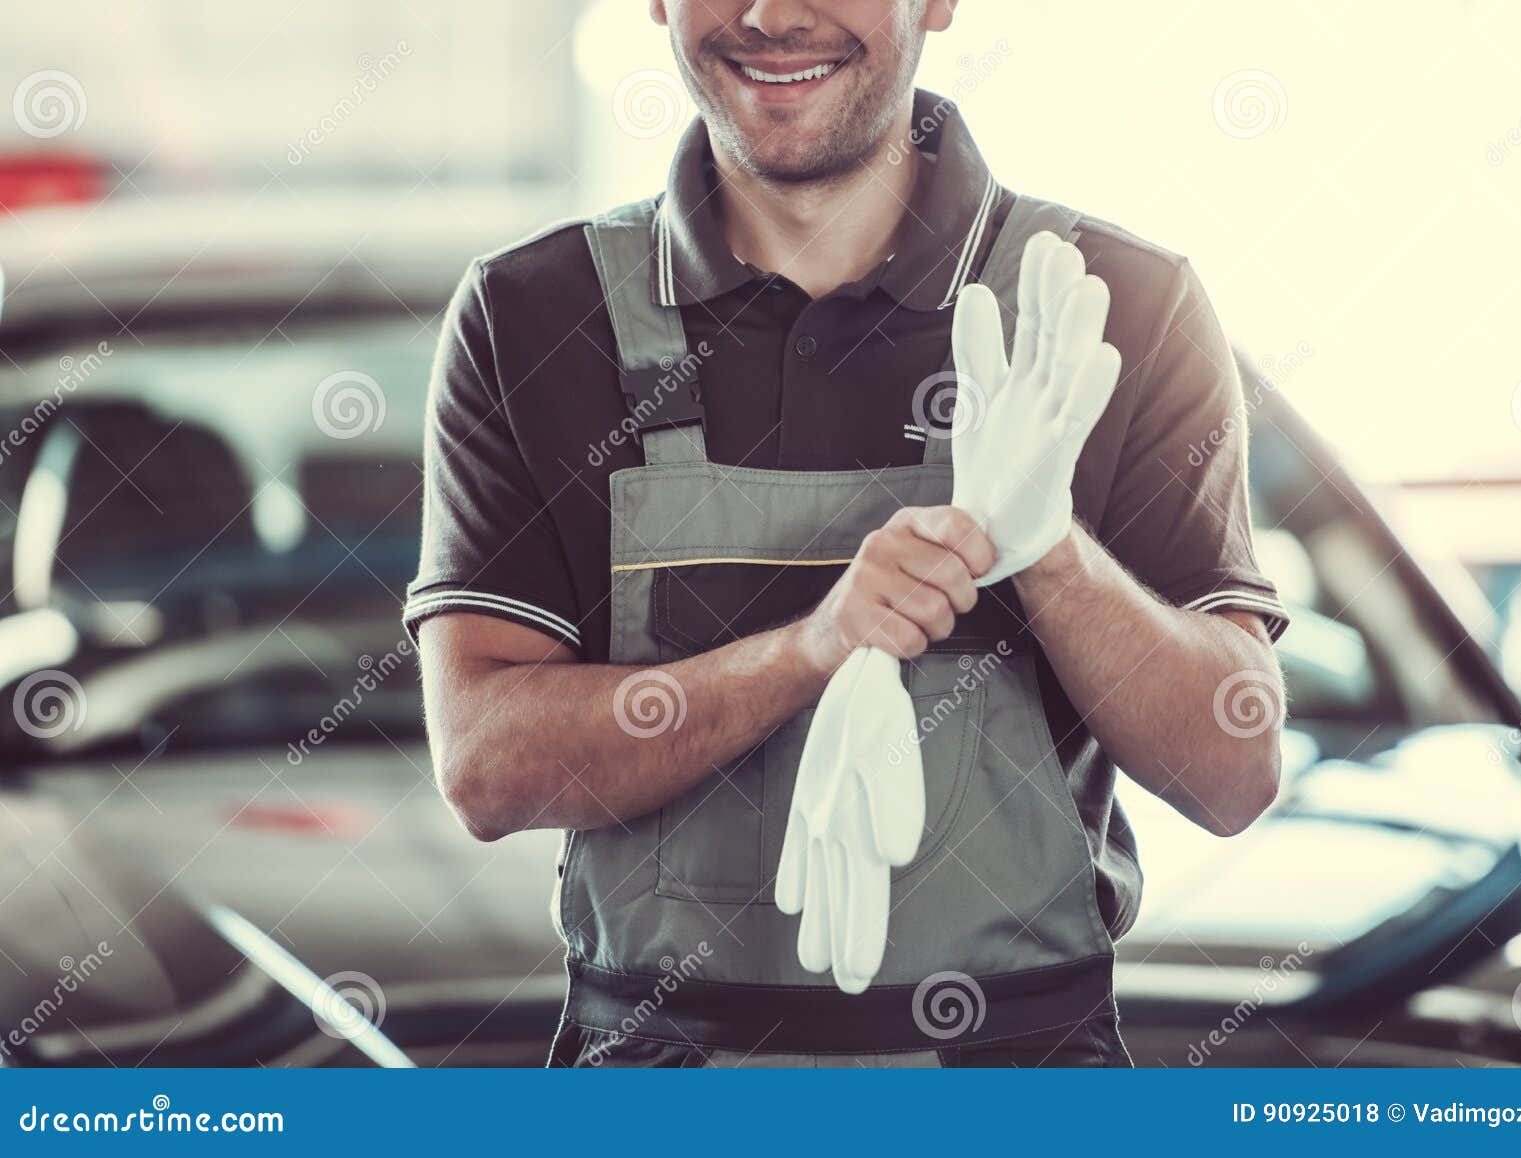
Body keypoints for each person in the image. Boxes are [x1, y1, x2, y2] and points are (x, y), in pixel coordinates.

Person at [407, 0, 1289, 1068]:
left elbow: (1232, 770)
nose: (773, 16)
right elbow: (489, 769)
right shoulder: (535, 314)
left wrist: (1048, 550)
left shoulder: (1116, 308)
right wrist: (809, 651)